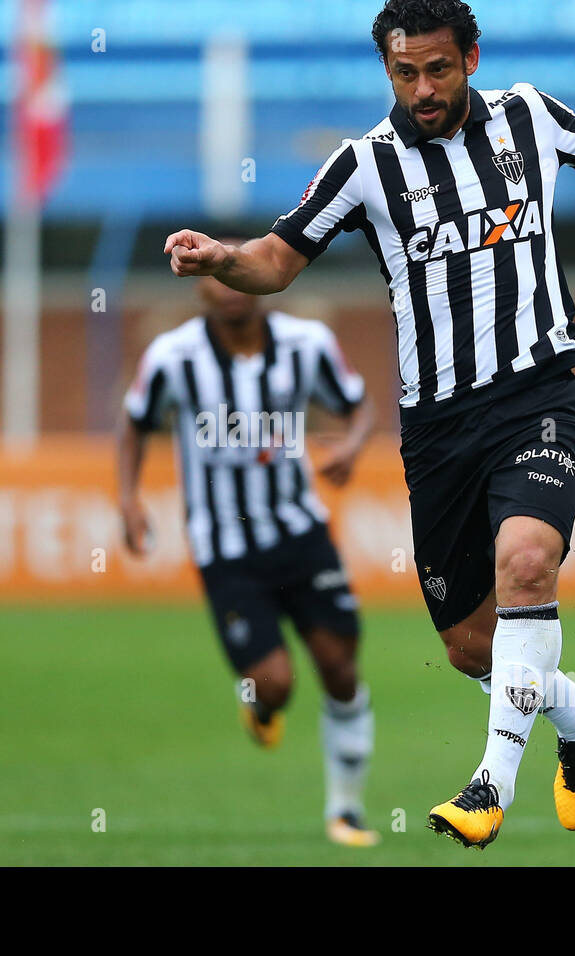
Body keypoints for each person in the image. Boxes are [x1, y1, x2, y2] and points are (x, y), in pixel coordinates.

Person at [163, 0, 575, 849]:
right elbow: (280, 259)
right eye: (405, 73)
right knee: (473, 650)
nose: (423, 88)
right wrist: (225, 257)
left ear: (470, 57)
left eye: (438, 69)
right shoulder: (362, 166)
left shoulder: (526, 116)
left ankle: (489, 786)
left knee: (525, 561)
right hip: (438, 428)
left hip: (538, 396)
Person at [117, 266, 378, 846]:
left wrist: (352, 447)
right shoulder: (173, 356)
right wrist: (128, 498)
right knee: (274, 682)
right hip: (224, 545)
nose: (231, 289)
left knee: (339, 666)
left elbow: (359, 406)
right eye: (217, 279)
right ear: (200, 290)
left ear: (264, 283)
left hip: (300, 531)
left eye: (240, 276)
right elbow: (135, 423)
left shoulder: (307, 344)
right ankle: (258, 704)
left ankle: (346, 810)